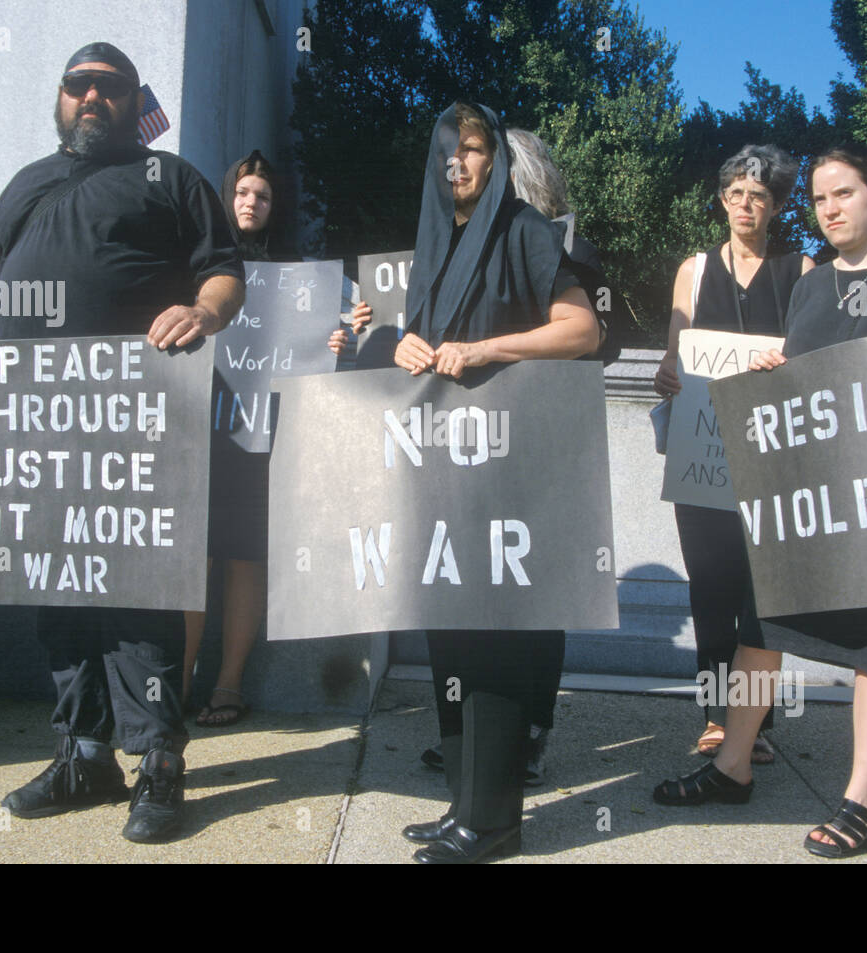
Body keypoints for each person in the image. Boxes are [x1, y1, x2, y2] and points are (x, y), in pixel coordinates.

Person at [0, 42, 244, 842]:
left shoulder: (171, 178)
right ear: (60, 97)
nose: (93, 96)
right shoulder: (26, 186)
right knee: (59, 595)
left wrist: (203, 313)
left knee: (140, 596)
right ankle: (84, 755)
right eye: (80, 85)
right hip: (38, 426)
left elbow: (223, 271)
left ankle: (160, 763)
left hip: (134, 423)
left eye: (111, 87)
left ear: (137, 102)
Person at [653, 143, 867, 858]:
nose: (832, 209)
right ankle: (732, 766)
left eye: (843, 194)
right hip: (807, 488)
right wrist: (773, 366)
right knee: (761, 622)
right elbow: (806, 373)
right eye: (821, 199)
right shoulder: (813, 289)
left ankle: (860, 799)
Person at [391, 102, 600, 863]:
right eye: (448, 150)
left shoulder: (524, 230)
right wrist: (407, 346)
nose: (460, 163)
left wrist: (485, 349)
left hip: (514, 469)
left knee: (496, 644)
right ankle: (463, 805)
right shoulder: (434, 244)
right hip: (444, 470)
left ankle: (495, 821)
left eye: (475, 149)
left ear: (496, 160)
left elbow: (582, 330)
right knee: (452, 640)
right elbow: (424, 351)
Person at [654, 145, 813, 763]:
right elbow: (675, 356)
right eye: (736, 193)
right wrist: (668, 374)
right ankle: (717, 718)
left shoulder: (802, 270)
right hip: (704, 452)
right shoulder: (693, 270)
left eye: (760, 195)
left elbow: (809, 360)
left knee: (763, 593)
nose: (746, 205)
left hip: (773, 456)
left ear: (776, 205)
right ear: (722, 199)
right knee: (711, 588)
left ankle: (757, 724)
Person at [182, 149, 281, 728]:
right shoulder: (196, 261)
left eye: (263, 196)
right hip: (197, 432)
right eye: (243, 193)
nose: (251, 203)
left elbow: (319, 343)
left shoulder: (294, 271)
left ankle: (229, 684)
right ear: (228, 198)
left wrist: (344, 335)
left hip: (259, 439)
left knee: (246, 558)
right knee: (195, 558)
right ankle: (181, 680)